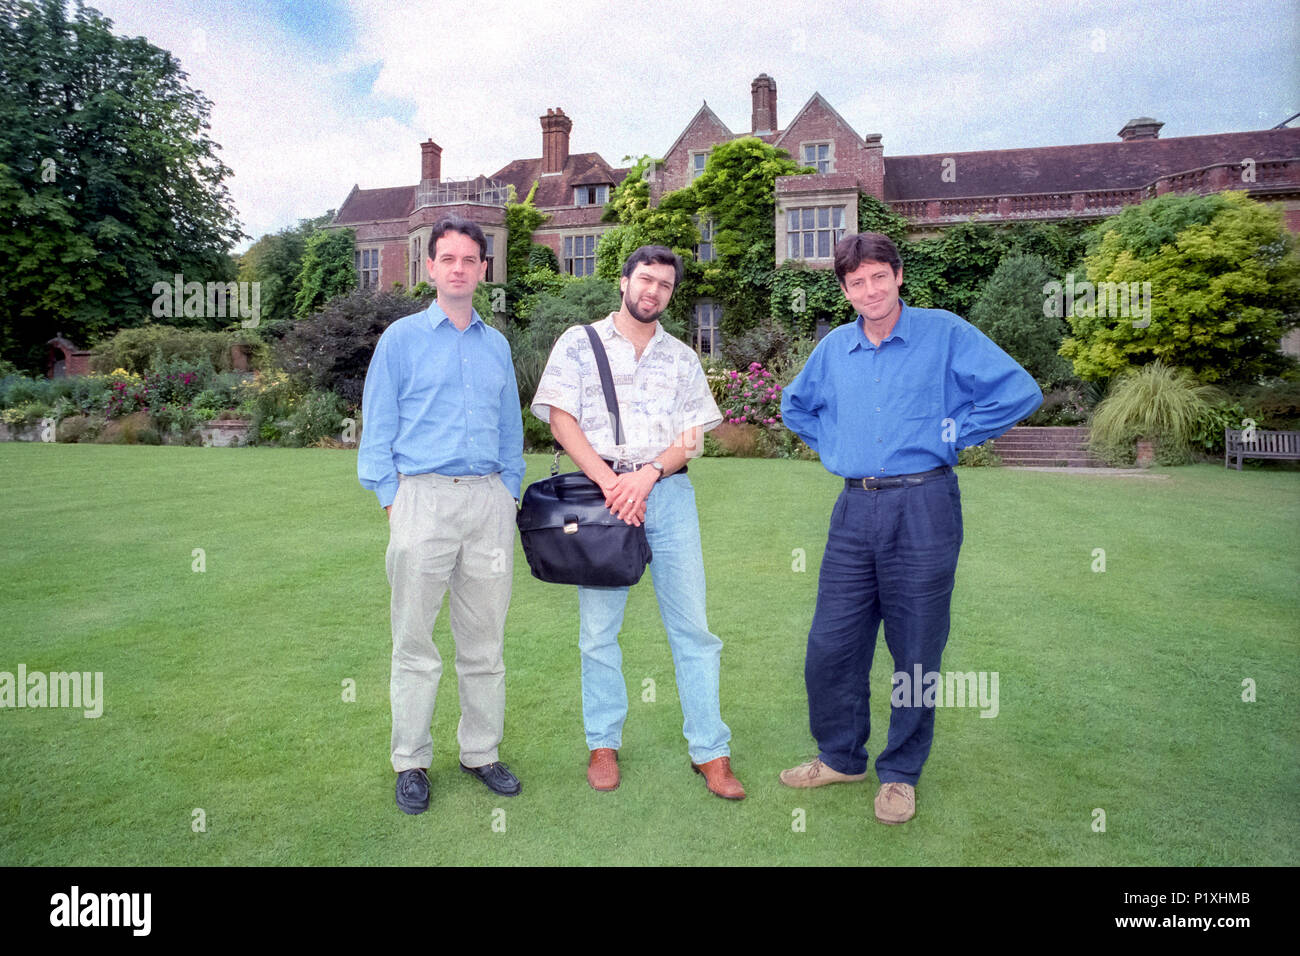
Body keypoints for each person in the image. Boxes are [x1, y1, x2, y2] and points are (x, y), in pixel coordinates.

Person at [778, 232, 1041, 824]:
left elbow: (1020, 392)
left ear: (898, 276)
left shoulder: (943, 332)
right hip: (853, 511)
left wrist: (954, 434)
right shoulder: (833, 349)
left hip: (924, 507)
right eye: (855, 282)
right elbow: (796, 406)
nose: (869, 291)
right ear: (844, 290)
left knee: (915, 649)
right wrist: (837, 444)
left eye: (878, 277)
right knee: (831, 645)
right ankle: (841, 756)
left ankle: (899, 773)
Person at [530, 245, 745, 799]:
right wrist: (610, 482)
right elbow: (560, 418)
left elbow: (692, 436)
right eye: (645, 279)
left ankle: (711, 752)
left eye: (665, 285)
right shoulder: (579, 344)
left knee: (694, 629)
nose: (653, 291)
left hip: (667, 497)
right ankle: (603, 744)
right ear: (624, 281)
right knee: (599, 632)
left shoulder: (682, 357)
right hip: (602, 501)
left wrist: (645, 477)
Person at [358, 216, 526, 814]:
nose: (458, 268)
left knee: (485, 641)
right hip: (420, 497)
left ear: (484, 269)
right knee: (414, 642)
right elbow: (377, 426)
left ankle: (481, 751)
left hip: (487, 502)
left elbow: (511, 428)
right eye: (447, 258)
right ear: (430, 266)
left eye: (469, 259)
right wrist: (390, 497)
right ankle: (411, 760)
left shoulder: (497, 344)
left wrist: (508, 491)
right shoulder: (400, 339)